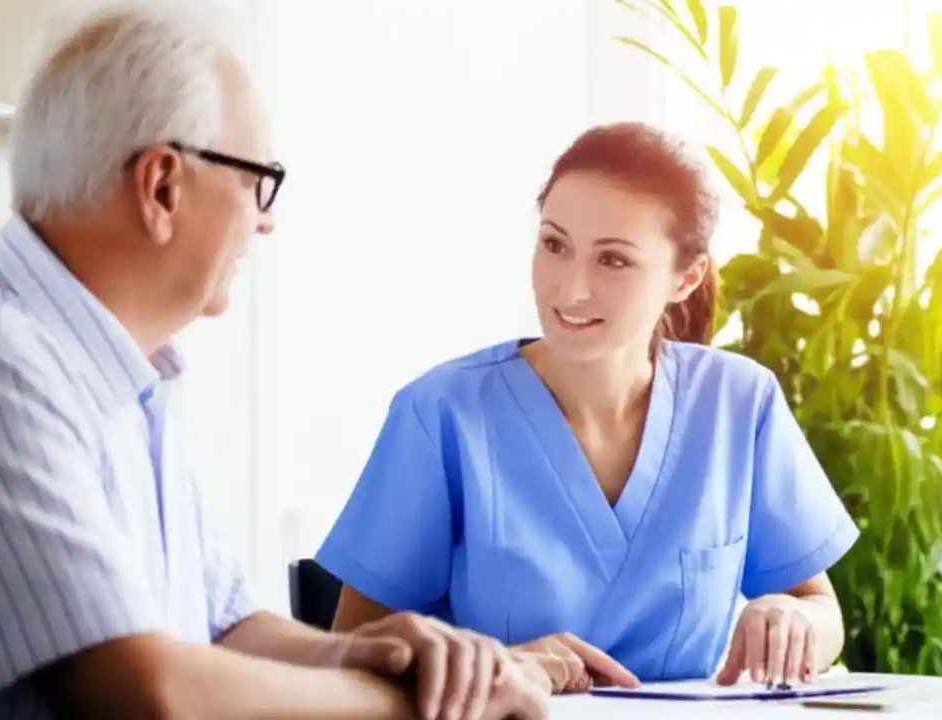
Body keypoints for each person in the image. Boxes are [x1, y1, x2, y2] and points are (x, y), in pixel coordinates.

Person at [0, 3, 546, 719]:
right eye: (260, 181)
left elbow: (226, 628)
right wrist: (416, 707)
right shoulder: (9, 365)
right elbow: (147, 689)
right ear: (162, 186)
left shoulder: (123, 373)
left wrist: (377, 652)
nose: (266, 218)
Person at [317, 122, 860, 693]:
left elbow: (821, 612)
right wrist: (501, 666)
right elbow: (353, 654)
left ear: (686, 277)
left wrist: (797, 619)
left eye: (614, 261)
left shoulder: (738, 404)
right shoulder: (441, 415)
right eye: (554, 245)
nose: (570, 290)